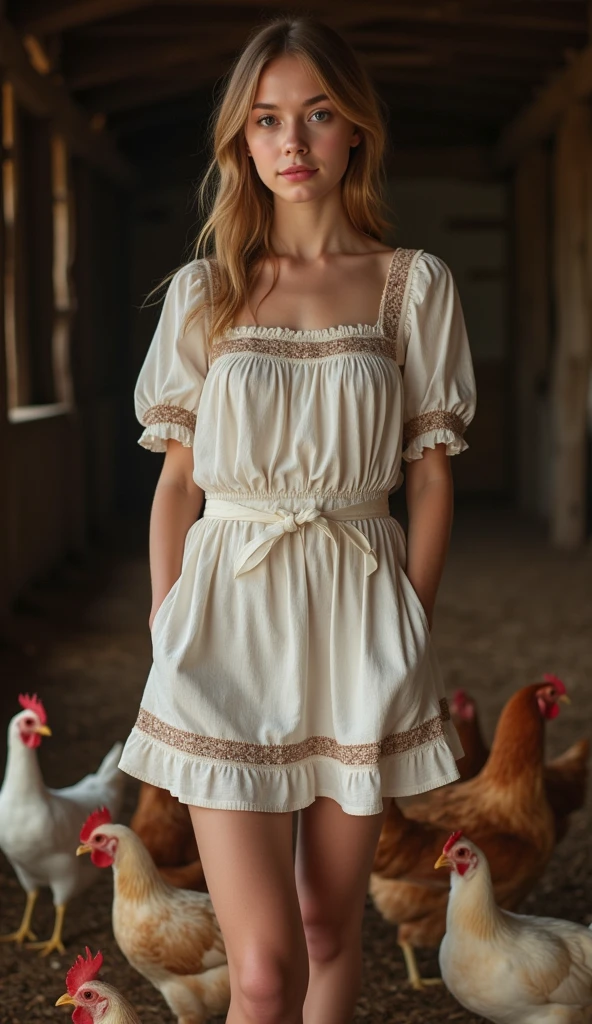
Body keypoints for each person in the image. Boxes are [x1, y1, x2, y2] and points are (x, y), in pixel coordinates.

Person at [119, 16, 477, 1024]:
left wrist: (410, 620)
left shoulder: (414, 284)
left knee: (331, 930)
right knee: (264, 966)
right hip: (225, 612)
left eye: (317, 116)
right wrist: (167, 625)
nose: (292, 142)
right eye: (267, 120)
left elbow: (431, 478)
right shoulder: (205, 293)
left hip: (359, 607)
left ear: (353, 130)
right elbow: (177, 485)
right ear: (240, 141)